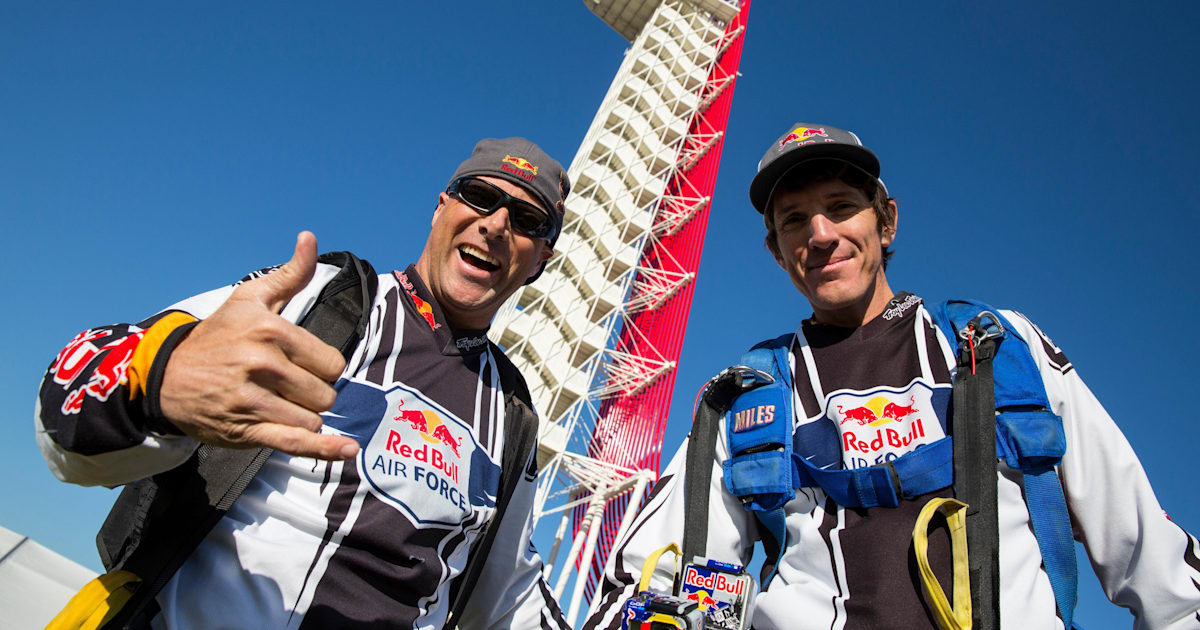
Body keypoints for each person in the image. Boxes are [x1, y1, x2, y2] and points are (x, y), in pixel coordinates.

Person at [584, 124, 1200, 629]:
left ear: (886, 222)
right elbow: (661, 578)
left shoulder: (1000, 349)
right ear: (776, 251)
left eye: (840, 208)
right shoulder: (747, 394)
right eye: (795, 220)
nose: (821, 235)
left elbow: (1155, 565)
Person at [37, 137, 573, 629]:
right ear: (440, 206)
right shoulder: (319, 296)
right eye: (479, 195)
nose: (496, 224)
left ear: (541, 260)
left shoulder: (511, 415)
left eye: (527, 220)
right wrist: (158, 386)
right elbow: (68, 407)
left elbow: (508, 600)